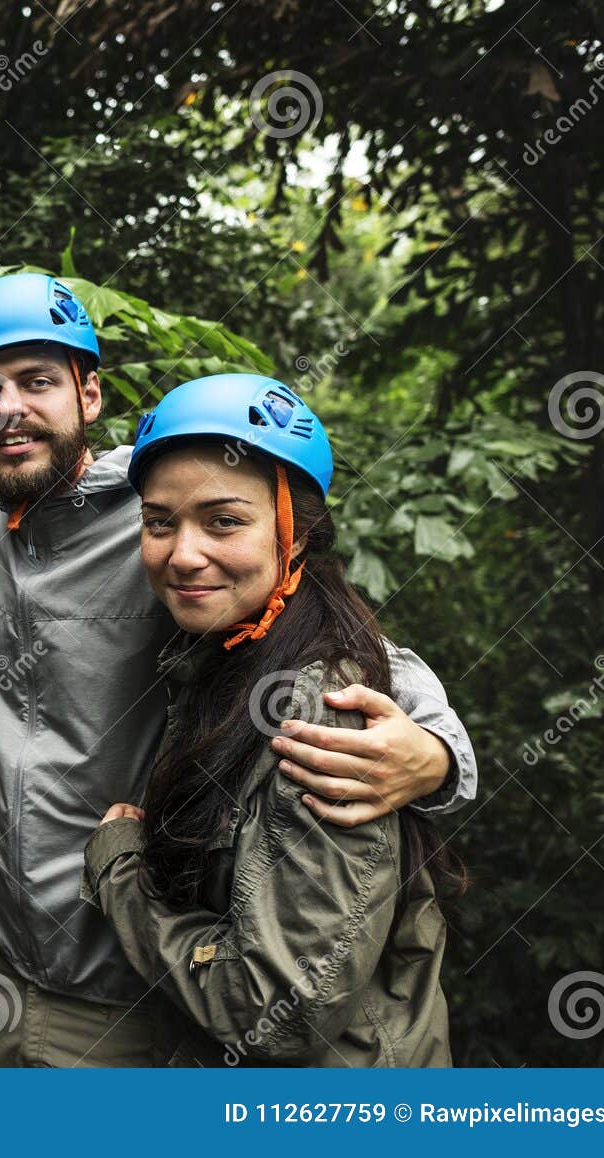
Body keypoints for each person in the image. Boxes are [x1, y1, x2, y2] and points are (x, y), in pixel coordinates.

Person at [0, 272, 476, 1067]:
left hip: (139, 989)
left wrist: (434, 754)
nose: (10, 408)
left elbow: (336, 636)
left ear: (88, 394)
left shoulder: (163, 500)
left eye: (37, 381)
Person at [82, 373, 454, 1066]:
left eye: (224, 521)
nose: (183, 554)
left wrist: (119, 870)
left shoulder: (325, 714)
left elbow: (275, 1013)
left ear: (297, 534)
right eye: (160, 523)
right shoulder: (216, 663)